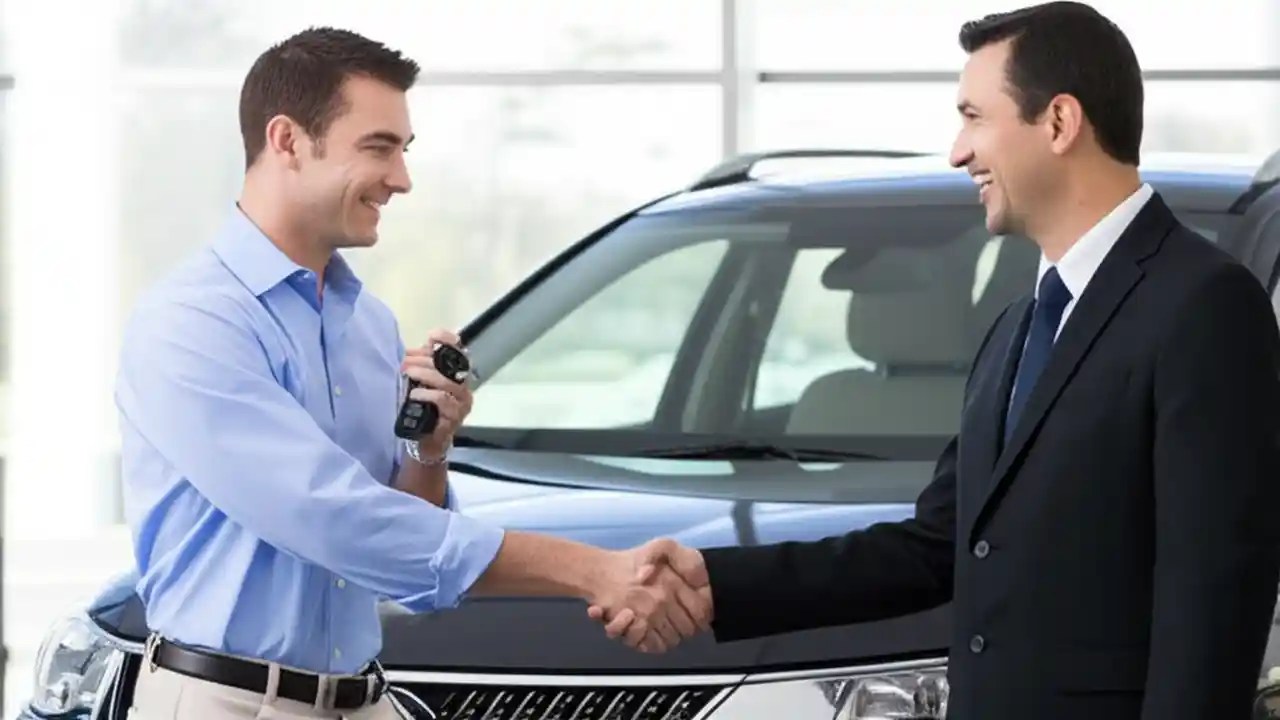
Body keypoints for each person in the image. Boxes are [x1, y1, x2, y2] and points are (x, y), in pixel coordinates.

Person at [591, 3, 1280, 718]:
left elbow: (1213, 600)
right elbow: (937, 545)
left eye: (974, 116)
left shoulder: (1203, 304)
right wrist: (716, 582)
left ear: (1059, 122)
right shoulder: (1019, 325)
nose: (958, 151)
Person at [116, 27, 707, 720]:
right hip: (228, 703)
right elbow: (335, 518)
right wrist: (592, 570)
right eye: (379, 148)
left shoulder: (370, 325)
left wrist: (428, 451)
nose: (401, 179)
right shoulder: (190, 325)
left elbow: (408, 553)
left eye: (403, 150)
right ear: (287, 142)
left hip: (365, 697)